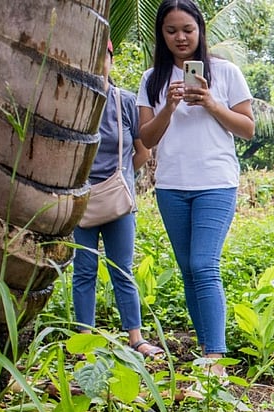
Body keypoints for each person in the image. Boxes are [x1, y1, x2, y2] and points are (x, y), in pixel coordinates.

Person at [137, 0, 255, 376]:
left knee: (205, 264)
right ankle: (206, 347)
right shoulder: (151, 79)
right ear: (162, 35)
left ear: (200, 29)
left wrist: (209, 102)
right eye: (171, 31)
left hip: (216, 182)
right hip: (172, 185)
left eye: (187, 29)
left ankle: (216, 358)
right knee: (188, 268)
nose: (180, 37)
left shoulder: (225, 72)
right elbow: (147, 138)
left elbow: (247, 128)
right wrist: (168, 108)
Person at [73, 41, 162, 359]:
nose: (98, 65)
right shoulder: (73, 102)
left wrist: (121, 176)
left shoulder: (125, 102)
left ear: (111, 61)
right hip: (80, 200)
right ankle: (85, 341)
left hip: (118, 200)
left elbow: (143, 151)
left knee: (122, 269)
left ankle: (135, 338)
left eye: (103, 59)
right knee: (84, 269)